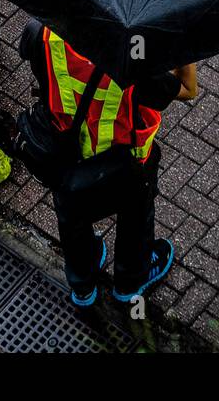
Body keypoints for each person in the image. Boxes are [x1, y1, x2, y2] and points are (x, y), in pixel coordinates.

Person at [19, 19, 196, 306]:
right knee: (136, 218)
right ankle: (129, 283)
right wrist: (186, 43)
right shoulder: (135, 60)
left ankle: (83, 287)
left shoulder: (42, 31)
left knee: (72, 218)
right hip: (125, 162)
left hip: (66, 155)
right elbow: (188, 89)